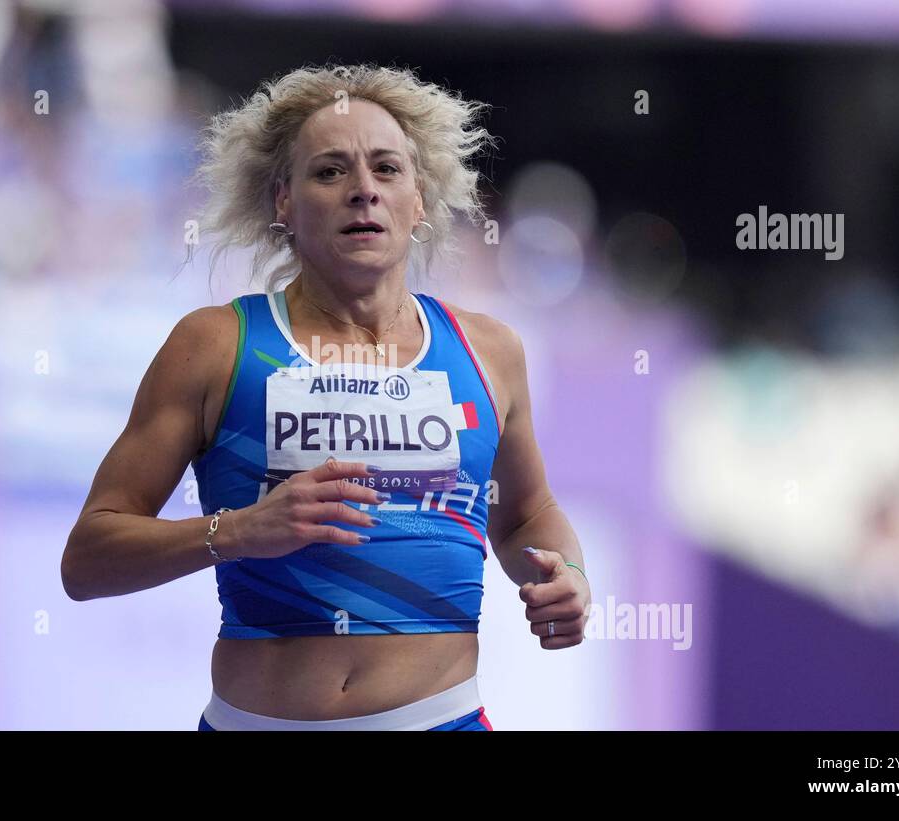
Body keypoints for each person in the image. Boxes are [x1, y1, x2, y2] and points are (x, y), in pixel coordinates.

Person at [61, 64, 590, 730]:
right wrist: (239, 531)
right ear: (283, 200)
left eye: (387, 170)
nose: (363, 191)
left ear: (420, 200)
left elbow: (525, 514)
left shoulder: (488, 350)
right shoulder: (217, 345)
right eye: (331, 171)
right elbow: (87, 561)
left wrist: (564, 570)